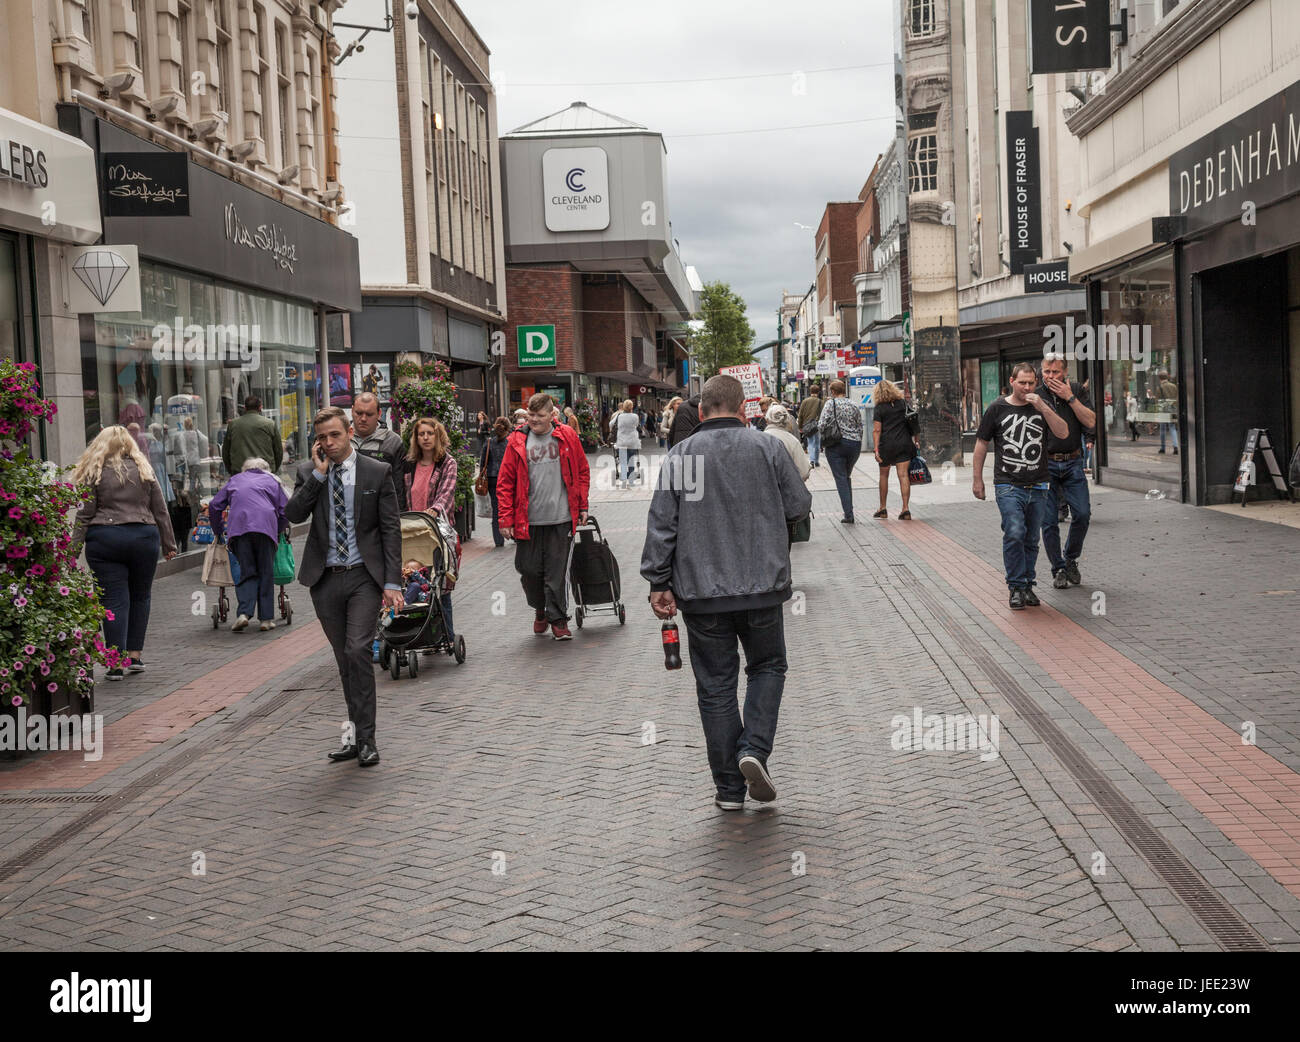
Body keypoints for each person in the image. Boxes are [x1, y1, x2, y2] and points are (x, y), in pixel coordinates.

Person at [641, 375, 811, 811]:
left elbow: (662, 523)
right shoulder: (769, 448)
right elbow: (799, 506)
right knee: (768, 666)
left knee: (715, 687)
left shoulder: (681, 456)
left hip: (701, 592)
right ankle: (753, 748)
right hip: (762, 587)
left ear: (700, 412)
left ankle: (729, 791)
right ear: (744, 409)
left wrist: (658, 581)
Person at [287, 407, 402, 767]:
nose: (329, 443)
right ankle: (354, 737)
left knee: (357, 651)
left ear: (350, 432)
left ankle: (367, 740)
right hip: (325, 580)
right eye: (321, 437)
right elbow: (292, 514)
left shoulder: (376, 471)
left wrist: (392, 582)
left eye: (335, 435)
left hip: (363, 577)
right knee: (344, 660)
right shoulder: (309, 473)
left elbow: (390, 530)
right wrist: (319, 477)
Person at [71, 426, 179, 680]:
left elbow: (84, 515)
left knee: (113, 600)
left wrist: (71, 551)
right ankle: (135, 656)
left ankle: (115, 663)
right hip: (143, 538)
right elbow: (160, 510)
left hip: (105, 540)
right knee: (140, 596)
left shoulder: (96, 472)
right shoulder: (144, 469)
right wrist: (169, 544)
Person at [971, 362, 1070, 611]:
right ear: (1012, 381)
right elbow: (982, 444)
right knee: (1014, 531)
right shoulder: (997, 408)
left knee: (1031, 538)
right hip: (1008, 484)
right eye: (1022, 382)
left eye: (1031, 383)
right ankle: (1015, 586)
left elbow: (1063, 432)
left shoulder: (1042, 406)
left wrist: (1042, 407)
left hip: (1039, 484)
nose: (1027, 387)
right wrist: (977, 479)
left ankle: (1027, 585)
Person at [496, 393, 591, 640]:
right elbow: (505, 482)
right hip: (527, 520)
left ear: (552, 415)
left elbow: (582, 471)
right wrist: (505, 518)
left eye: (539, 415)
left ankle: (558, 619)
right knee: (529, 570)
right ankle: (540, 608)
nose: (534, 419)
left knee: (556, 572)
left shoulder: (567, 436)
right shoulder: (517, 440)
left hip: (560, 518)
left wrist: (582, 507)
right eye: (530, 414)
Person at [209, 456, 289, 632]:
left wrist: (217, 529)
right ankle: (266, 620)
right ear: (266, 469)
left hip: (240, 530)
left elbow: (215, 505)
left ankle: (244, 614)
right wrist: (279, 529)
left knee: (247, 571)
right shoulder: (272, 481)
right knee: (266, 572)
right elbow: (285, 510)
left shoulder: (235, 480)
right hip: (266, 530)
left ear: (245, 469)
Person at [1037, 355, 1096, 590]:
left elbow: (1091, 422)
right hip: (1045, 465)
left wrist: (1069, 398)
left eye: (1055, 372)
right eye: (1047, 372)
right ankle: (1058, 568)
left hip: (1072, 461)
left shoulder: (1076, 390)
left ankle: (1070, 558)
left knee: (1082, 514)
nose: (1051, 377)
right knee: (1049, 521)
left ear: (1065, 372)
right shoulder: (1037, 394)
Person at [403, 416, 459, 644]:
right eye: (421, 434)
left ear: (438, 436)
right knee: (411, 583)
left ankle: (447, 636)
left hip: (436, 532)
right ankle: (413, 634)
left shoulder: (447, 463)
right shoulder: (409, 464)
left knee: (438, 585)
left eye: (430, 433)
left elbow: (446, 493)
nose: (425, 438)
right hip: (411, 533)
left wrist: (435, 510)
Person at [351, 392, 408, 512]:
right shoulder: (340, 438)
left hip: (381, 512)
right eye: (359, 413)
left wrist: (400, 516)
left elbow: (399, 486)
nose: (363, 418)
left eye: (369, 414)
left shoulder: (393, 442)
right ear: (352, 411)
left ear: (379, 414)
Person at [818, 380, 865, 523]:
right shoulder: (853, 404)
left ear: (832, 392)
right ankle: (849, 509)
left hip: (836, 445)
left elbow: (821, 425)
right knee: (846, 476)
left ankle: (849, 514)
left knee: (841, 479)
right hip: (854, 444)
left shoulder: (830, 404)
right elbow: (859, 425)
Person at [871, 380, 919, 520]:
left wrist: (876, 449)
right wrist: (917, 441)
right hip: (904, 443)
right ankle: (905, 509)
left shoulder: (879, 408)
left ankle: (883, 508)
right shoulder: (902, 404)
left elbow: (877, 430)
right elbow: (913, 421)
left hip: (887, 445)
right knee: (903, 475)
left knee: (884, 476)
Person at [222, 396, 282, 479]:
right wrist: (273, 470)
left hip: (240, 473)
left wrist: (233, 471)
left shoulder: (233, 424)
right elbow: (278, 451)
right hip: (264, 473)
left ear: (245, 408)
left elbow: (226, 452)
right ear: (260, 407)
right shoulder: (270, 424)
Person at [482, 416, 511, 547]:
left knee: (496, 510)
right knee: (510, 506)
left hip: (492, 478)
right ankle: (514, 534)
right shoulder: (510, 443)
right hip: (508, 479)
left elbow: (483, 462)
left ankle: (498, 541)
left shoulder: (489, 442)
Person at [763, 403, 810, 480]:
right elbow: (804, 472)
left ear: (767, 420)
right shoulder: (792, 441)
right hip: (788, 487)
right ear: (787, 420)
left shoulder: (759, 440)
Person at [611, 399, 642, 489]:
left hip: (622, 441)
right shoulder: (635, 416)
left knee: (623, 461)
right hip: (632, 441)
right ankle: (631, 480)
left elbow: (611, 424)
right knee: (631, 460)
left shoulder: (619, 416)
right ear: (632, 406)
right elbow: (636, 425)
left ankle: (624, 479)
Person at [797, 385, 823, 467]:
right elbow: (822, 414)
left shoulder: (805, 401)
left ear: (810, 391)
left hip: (807, 425)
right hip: (817, 424)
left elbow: (800, 414)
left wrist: (800, 426)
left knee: (810, 442)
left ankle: (811, 460)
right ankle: (816, 461)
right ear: (818, 392)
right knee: (817, 443)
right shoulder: (820, 402)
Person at [1157, 371, 1179, 455]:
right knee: (1173, 428)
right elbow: (1177, 397)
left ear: (1159, 378)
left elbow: (1158, 400)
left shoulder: (1160, 387)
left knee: (1162, 429)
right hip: (1173, 409)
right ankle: (1175, 446)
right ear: (1167, 377)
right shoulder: (1174, 386)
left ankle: (1163, 448)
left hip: (1163, 411)